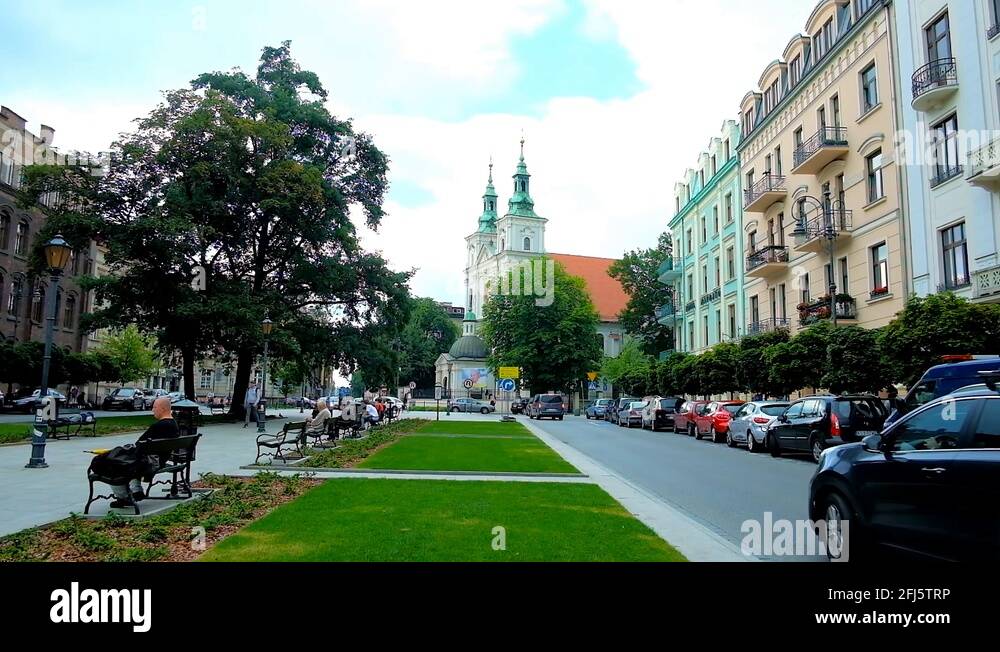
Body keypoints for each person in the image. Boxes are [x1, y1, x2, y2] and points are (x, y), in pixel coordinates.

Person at [106, 397, 179, 508]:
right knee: (127, 461)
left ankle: (125, 497)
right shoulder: (174, 425)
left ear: (163, 409)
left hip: (149, 463)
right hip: (159, 461)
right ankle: (136, 489)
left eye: (154, 407)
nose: (152, 410)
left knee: (112, 464)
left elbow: (139, 443)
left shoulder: (158, 426)